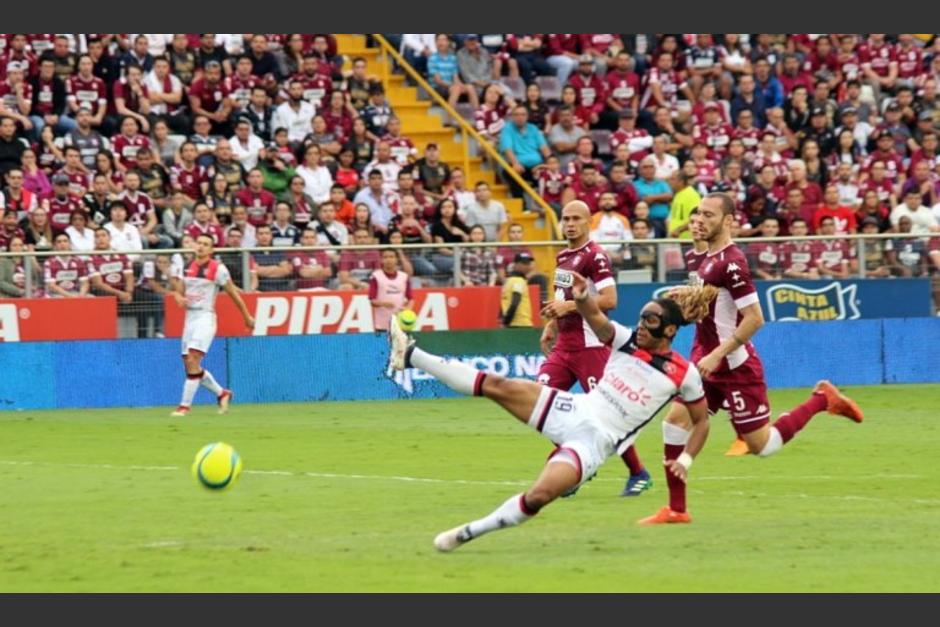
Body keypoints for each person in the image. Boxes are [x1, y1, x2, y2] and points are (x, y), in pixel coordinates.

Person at [387, 272, 712, 552]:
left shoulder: (685, 374)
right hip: (574, 408)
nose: (641, 326)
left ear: (669, 331)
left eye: (651, 321)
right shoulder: (626, 341)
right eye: (642, 319)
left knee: (540, 495)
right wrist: (583, 297)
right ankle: (411, 354)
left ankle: (469, 531)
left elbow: (701, 423)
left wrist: (685, 459)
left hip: (594, 442)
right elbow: (597, 320)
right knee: (500, 385)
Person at [639, 193, 864, 525]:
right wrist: (684, 300)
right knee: (674, 422)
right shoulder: (700, 258)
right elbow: (707, 308)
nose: (700, 219)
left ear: (729, 221)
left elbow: (755, 318)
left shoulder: (732, 263)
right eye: (698, 213)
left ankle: (821, 399)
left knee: (763, 445)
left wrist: (718, 353)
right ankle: (677, 509)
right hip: (705, 362)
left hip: (735, 366)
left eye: (709, 215)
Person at [539, 200, 649, 496]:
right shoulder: (564, 256)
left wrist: (569, 306)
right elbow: (563, 296)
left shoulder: (595, 257)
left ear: (589, 222)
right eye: (565, 218)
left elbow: (610, 299)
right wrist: (553, 323)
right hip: (565, 345)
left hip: (591, 346)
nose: (570, 223)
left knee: (608, 415)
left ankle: (638, 472)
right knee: (540, 402)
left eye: (576, 218)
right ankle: (577, 460)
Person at [169, 234, 254, 417]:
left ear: (211, 250)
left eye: (205, 244)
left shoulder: (218, 269)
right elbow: (179, 290)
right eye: (199, 243)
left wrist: (246, 316)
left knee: (192, 359)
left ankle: (184, 407)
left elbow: (233, 294)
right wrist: (177, 296)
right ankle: (222, 393)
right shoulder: (187, 266)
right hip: (189, 319)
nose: (201, 247)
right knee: (190, 365)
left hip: (205, 318)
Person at [369, 248, 414, 331]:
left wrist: (407, 309)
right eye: (385, 257)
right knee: (383, 343)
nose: (388, 260)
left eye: (391, 257)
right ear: (381, 260)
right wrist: (383, 304)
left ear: (396, 259)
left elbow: (411, 299)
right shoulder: (376, 277)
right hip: (382, 322)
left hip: (400, 321)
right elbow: (372, 300)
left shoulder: (404, 277)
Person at [44, 232, 89, 298]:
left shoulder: (78, 261)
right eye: (59, 242)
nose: (62, 244)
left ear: (70, 244)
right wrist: (70, 297)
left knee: (91, 297)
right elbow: (51, 286)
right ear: (55, 245)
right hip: (56, 294)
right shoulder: (49, 262)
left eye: (65, 241)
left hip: (75, 293)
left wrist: (81, 296)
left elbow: (85, 283)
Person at [501, 252, 536, 327]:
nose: (527, 266)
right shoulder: (518, 281)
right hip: (521, 324)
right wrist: (506, 322)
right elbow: (515, 302)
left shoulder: (509, 280)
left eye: (528, 263)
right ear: (516, 264)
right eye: (524, 263)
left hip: (515, 324)